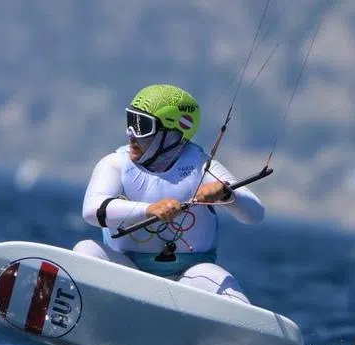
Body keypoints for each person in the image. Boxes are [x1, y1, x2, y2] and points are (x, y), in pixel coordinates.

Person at [73, 84, 264, 303]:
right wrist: (149, 209)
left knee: (222, 279)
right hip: (126, 271)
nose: (131, 134)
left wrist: (227, 195)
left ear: (172, 133)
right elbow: (90, 212)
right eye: (130, 122)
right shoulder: (114, 164)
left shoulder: (203, 167)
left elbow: (255, 214)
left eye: (142, 125)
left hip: (190, 279)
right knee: (85, 249)